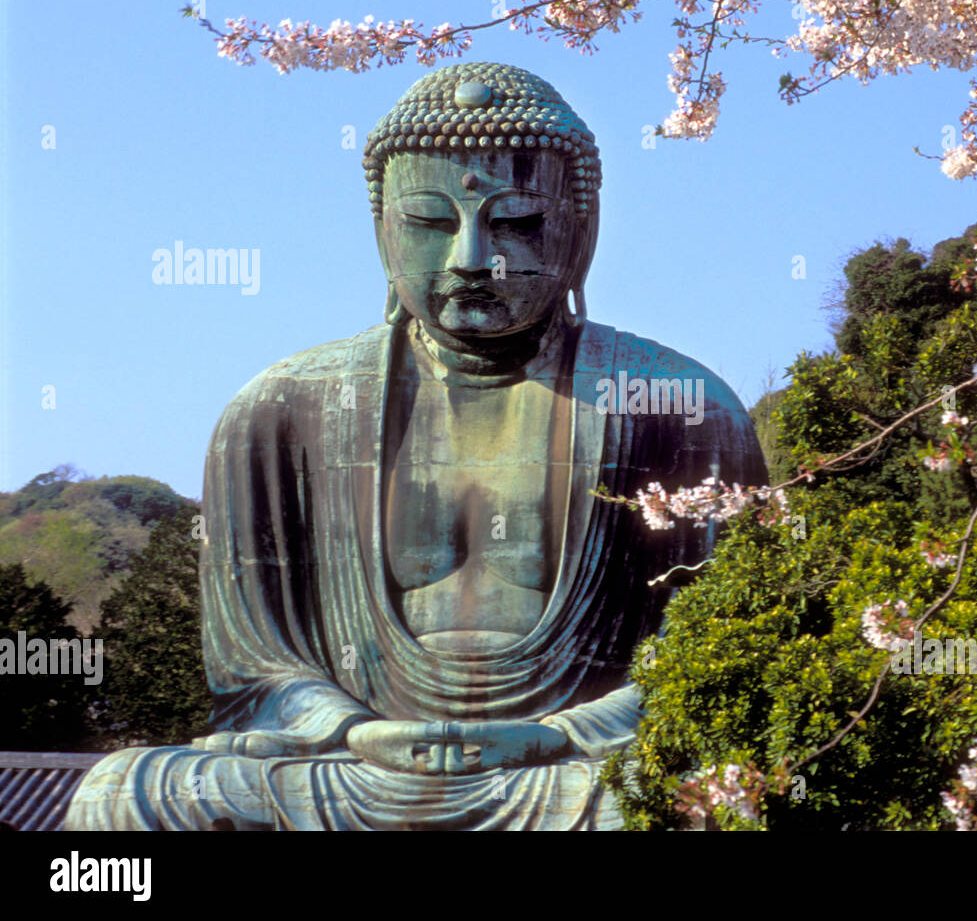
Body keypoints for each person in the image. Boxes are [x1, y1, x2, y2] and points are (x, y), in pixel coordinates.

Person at [65, 62, 765, 830]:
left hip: (566, 774)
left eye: (519, 222)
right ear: (381, 228)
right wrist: (355, 728)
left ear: (581, 230)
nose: (472, 257)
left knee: (709, 798)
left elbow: (717, 652)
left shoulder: (678, 405)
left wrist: (558, 733)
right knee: (123, 795)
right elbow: (255, 668)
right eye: (432, 223)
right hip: (354, 770)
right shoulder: (280, 409)